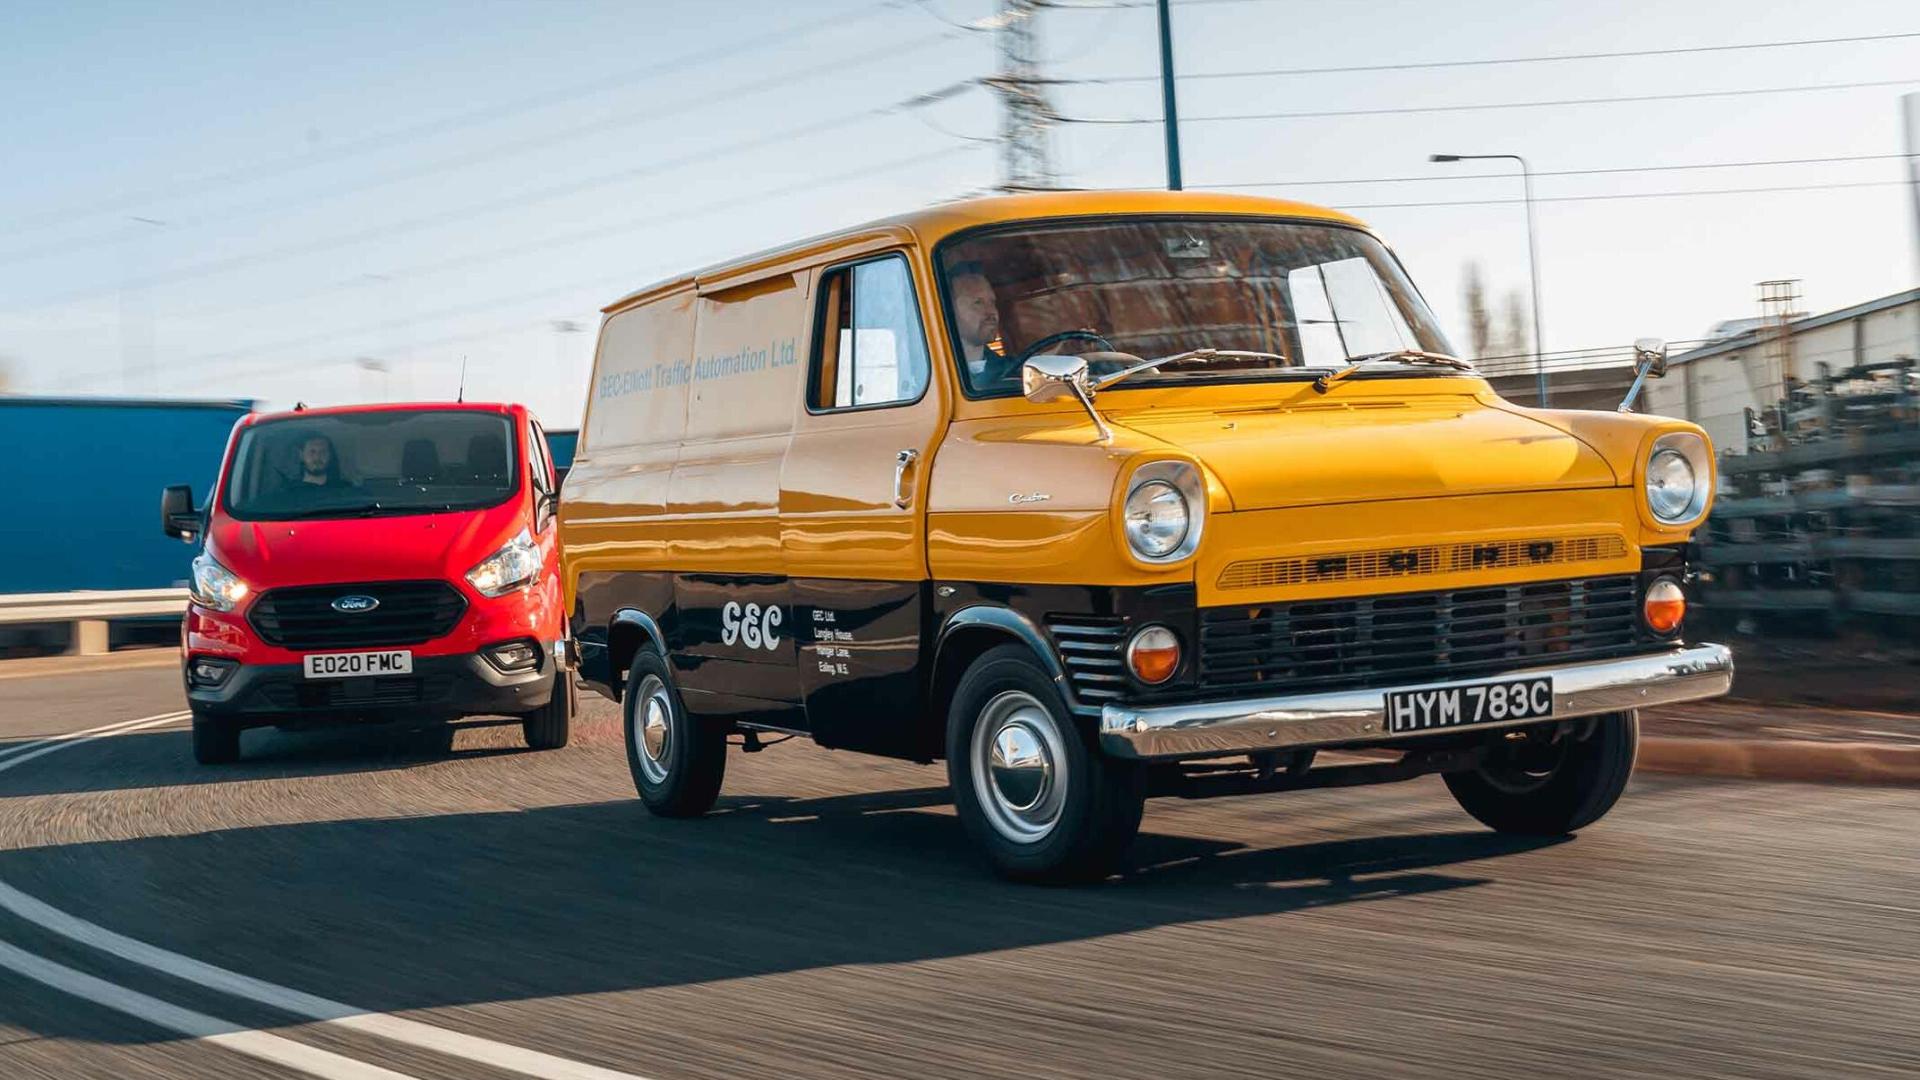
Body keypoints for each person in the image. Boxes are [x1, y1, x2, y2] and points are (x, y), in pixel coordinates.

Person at [948, 262, 1020, 392]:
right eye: (978, 302)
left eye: (992, 302)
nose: (991, 311)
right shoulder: (930, 378)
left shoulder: (1015, 374)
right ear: (949, 310)